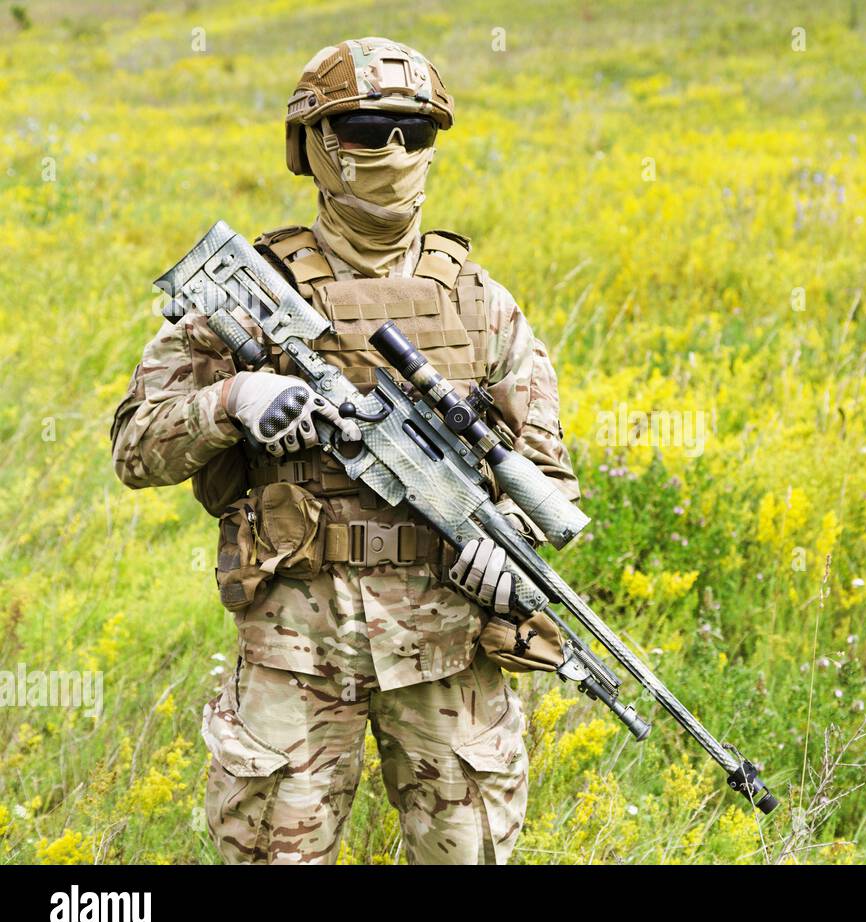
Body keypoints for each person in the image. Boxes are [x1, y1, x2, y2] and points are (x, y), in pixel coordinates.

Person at [110, 37, 580, 865]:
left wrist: (511, 546)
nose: (394, 154)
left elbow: (545, 473)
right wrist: (231, 401)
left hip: (447, 653)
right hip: (296, 652)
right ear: (316, 145)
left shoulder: (482, 305)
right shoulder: (250, 295)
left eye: (415, 133)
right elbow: (136, 447)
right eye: (366, 129)